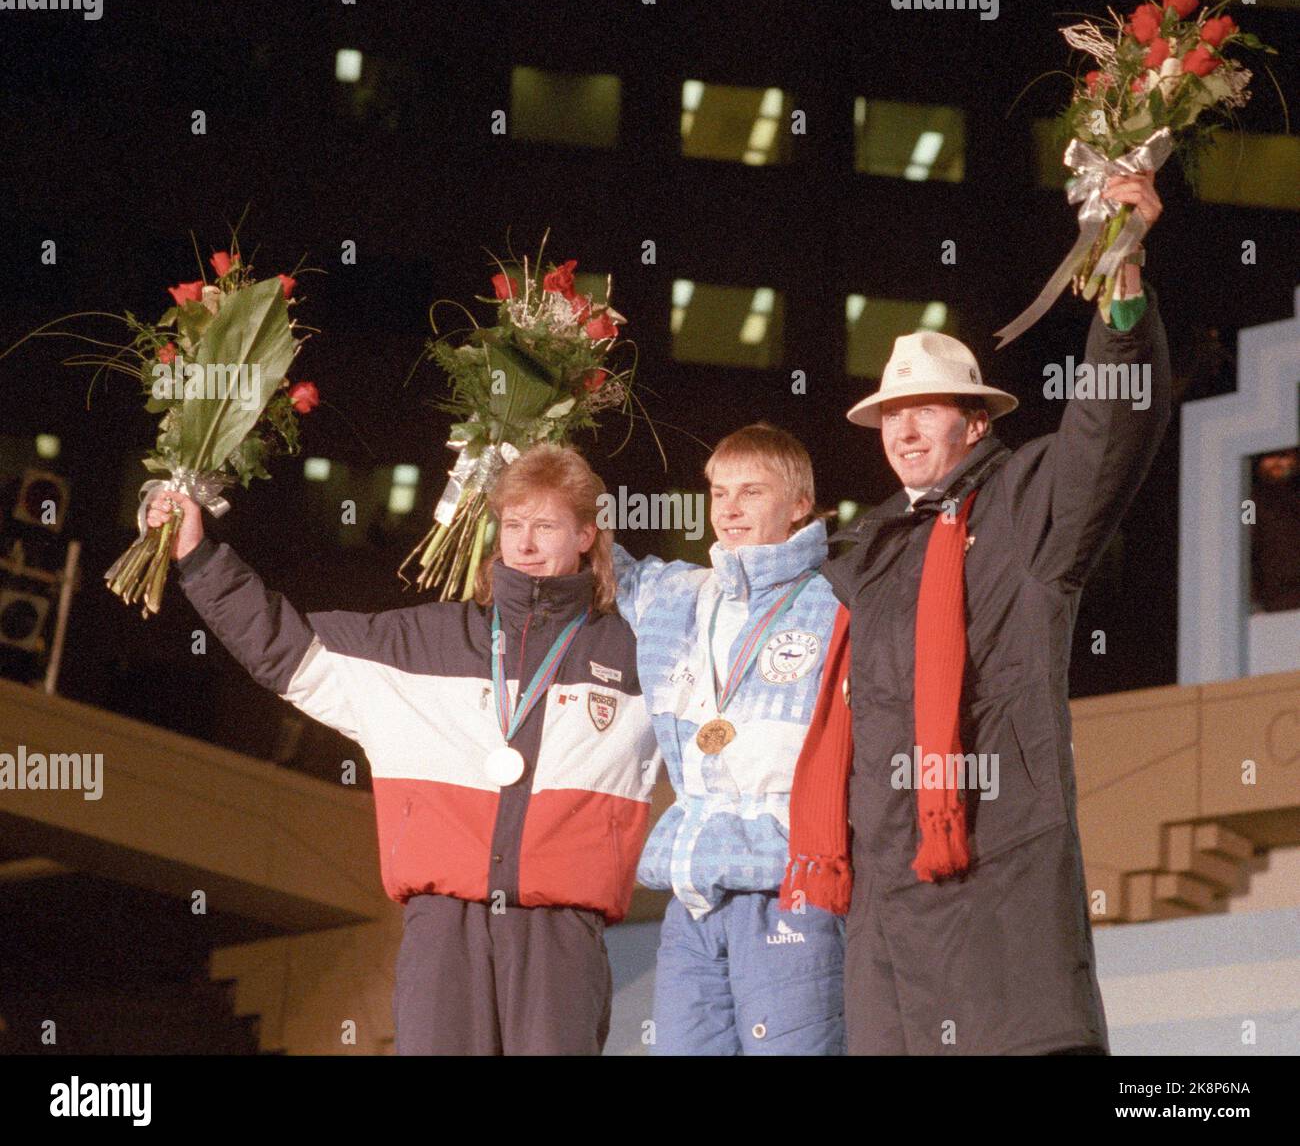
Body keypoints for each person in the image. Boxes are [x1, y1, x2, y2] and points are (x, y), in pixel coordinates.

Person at [785, 171, 1170, 1054]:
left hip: (998, 866)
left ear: (973, 421)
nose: (905, 429)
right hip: (888, 893)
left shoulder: (1026, 503)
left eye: (926, 410)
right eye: (891, 414)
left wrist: (1121, 290)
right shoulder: (865, 551)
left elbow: (1111, 428)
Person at [148, 443, 659, 1055]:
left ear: (586, 535)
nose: (523, 545)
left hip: (561, 934)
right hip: (443, 927)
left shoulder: (641, 656)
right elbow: (285, 647)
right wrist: (197, 557)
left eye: (545, 526)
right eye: (514, 525)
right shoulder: (423, 641)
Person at [615, 423, 845, 1055]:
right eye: (719, 493)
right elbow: (583, 548)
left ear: (800, 504)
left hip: (791, 889)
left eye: (751, 491)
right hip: (692, 897)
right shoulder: (680, 596)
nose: (731, 509)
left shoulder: (836, 603)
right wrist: (520, 447)